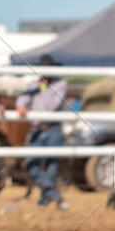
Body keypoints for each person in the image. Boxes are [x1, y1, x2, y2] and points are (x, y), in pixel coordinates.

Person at [17, 55, 69, 210]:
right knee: (32, 164)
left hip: (53, 128)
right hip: (37, 129)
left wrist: (42, 88)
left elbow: (51, 106)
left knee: (51, 168)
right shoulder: (33, 85)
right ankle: (55, 196)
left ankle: (44, 200)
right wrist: (22, 106)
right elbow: (22, 99)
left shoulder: (60, 84)